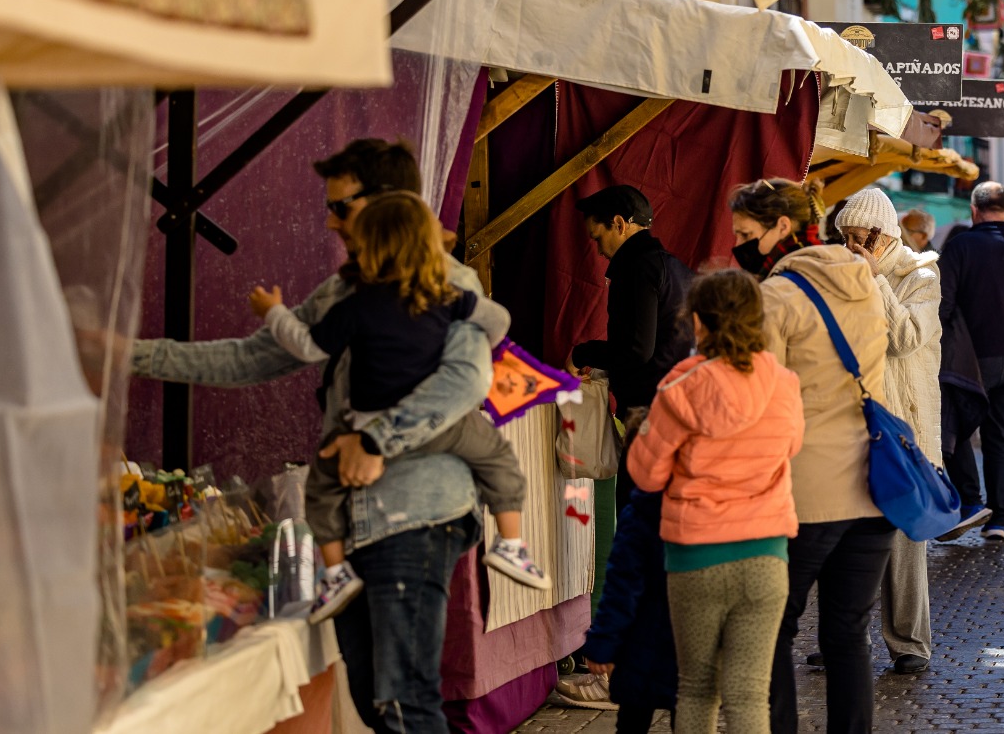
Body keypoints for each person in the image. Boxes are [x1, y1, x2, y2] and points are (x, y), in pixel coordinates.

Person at [130, 138, 489, 734]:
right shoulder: (349, 288)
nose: (329, 221)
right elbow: (256, 356)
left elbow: (465, 382)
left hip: (417, 512)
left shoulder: (448, 281)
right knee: (379, 699)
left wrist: (376, 441)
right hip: (352, 521)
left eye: (342, 207)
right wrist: (134, 356)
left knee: (404, 702)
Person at [249, 191, 549, 622]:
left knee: (320, 490)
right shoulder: (443, 294)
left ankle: (334, 574)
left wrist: (275, 312)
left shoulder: (355, 305)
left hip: (362, 422)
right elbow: (499, 320)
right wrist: (471, 332)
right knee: (500, 461)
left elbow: (308, 347)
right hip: (435, 423)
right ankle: (511, 546)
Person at [727, 178, 893, 734]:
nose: (741, 244)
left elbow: (759, 400)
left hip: (806, 492)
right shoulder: (863, 281)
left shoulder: (776, 297)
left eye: (747, 234)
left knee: (772, 627)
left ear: (781, 227)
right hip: (873, 487)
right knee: (847, 635)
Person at [628, 269, 805, 734]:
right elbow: (791, 448)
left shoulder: (679, 387)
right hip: (766, 555)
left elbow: (646, 474)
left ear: (699, 323)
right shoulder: (785, 384)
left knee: (697, 688)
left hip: (695, 556)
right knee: (749, 694)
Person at [835, 188, 976, 674]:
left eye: (860, 238)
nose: (852, 246)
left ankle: (910, 642)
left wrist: (873, 281)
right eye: (846, 238)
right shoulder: (845, 269)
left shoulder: (921, 274)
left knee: (902, 535)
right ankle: (845, 635)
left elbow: (906, 339)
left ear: (884, 236)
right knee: (844, 528)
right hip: (852, 416)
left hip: (904, 425)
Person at [937, 181, 1004, 545]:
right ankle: (999, 520)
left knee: (956, 428)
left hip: (969, 362)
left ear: (973, 211)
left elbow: (942, 305)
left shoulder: (959, 246)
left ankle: (971, 501)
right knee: (1000, 437)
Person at [583, 407, 679, 733]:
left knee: (633, 721)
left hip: (640, 649)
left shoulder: (638, 516)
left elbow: (621, 588)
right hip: (690, 645)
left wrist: (601, 644)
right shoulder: (697, 509)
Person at [568, 185, 695, 418]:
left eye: (598, 238)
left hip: (655, 417)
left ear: (619, 224)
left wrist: (580, 355)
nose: (598, 251)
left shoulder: (638, 268)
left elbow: (635, 351)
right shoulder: (676, 269)